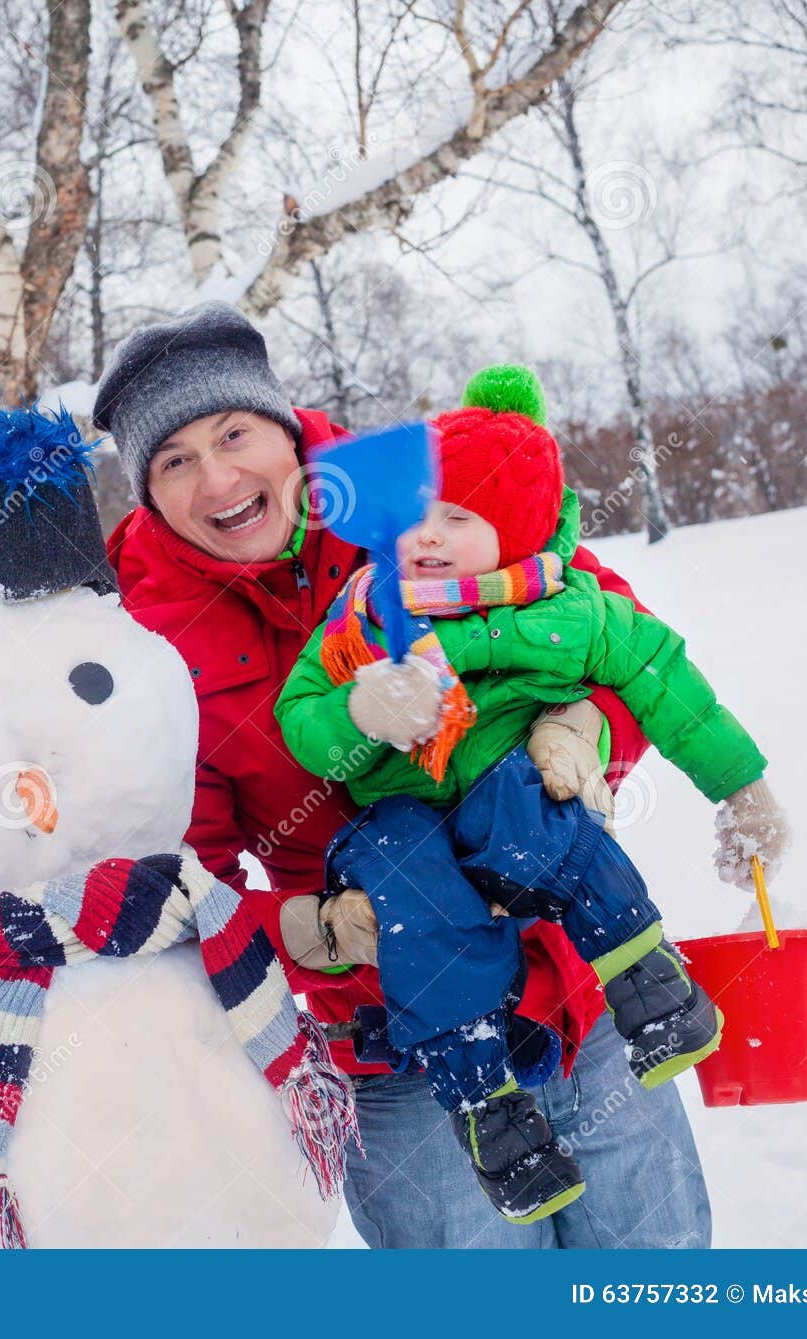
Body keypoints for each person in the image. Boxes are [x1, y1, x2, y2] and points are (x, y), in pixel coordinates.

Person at [99, 301, 713, 1248]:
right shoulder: (137, 631)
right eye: (174, 460)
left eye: (233, 433)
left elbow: (614, 635)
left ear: (286, 426)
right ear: (146, 490)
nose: (217, 478)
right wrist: (314, 931)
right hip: (395, 1038)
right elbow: (183, 879)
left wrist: (588, 727)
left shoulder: (418, 491)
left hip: (570, 970)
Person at [274, 364, 791, 1224]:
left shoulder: (569, 607)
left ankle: (646, 977)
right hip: (406, 817)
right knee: (403, 882)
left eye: (459, 517)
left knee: (527, 800)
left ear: (512, 528)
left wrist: (741, 787)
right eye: (418, 516)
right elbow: (303, 716)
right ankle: (485, 1100)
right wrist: (358, 707)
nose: (426, 539)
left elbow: (665, 680)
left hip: (514, 815)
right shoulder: (364, 616)